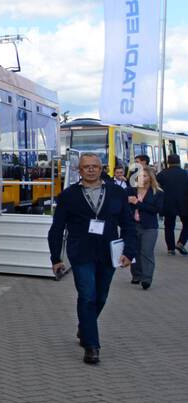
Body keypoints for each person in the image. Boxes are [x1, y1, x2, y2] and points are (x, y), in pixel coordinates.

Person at [48, 153, 138, 365]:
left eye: (94, 166)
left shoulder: (116, 193)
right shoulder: (69, 196)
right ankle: (92, 345)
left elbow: (128, 225)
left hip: (109, 253)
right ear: (79, 171)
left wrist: (130, 252)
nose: (90, 170)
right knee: (87, 295)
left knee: (101, 296)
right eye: (86, 167)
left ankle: (84, 326)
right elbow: (57, 229)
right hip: (81, 253)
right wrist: (56, 258)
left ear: (101, 169)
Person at [127, 167, 164, 289]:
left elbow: (155, 209)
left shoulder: (157, 192)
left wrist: (137, 203)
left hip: (149, 227)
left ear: (150, 178)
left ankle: (147, 278)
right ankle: (136, 275)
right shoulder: (131, 190)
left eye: (145, 176)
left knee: (146, 252)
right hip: (133, 225)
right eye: (140, 176)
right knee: (134, 251)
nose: (142, 178)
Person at [157, 153, 188, 255]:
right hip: (184, 204)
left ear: (168, 162)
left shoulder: (161, 174)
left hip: (167, 204)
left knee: (169, 226)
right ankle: (181, 243)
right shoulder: (185, 173)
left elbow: (157, 189)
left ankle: (170, 249)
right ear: (179, 162)